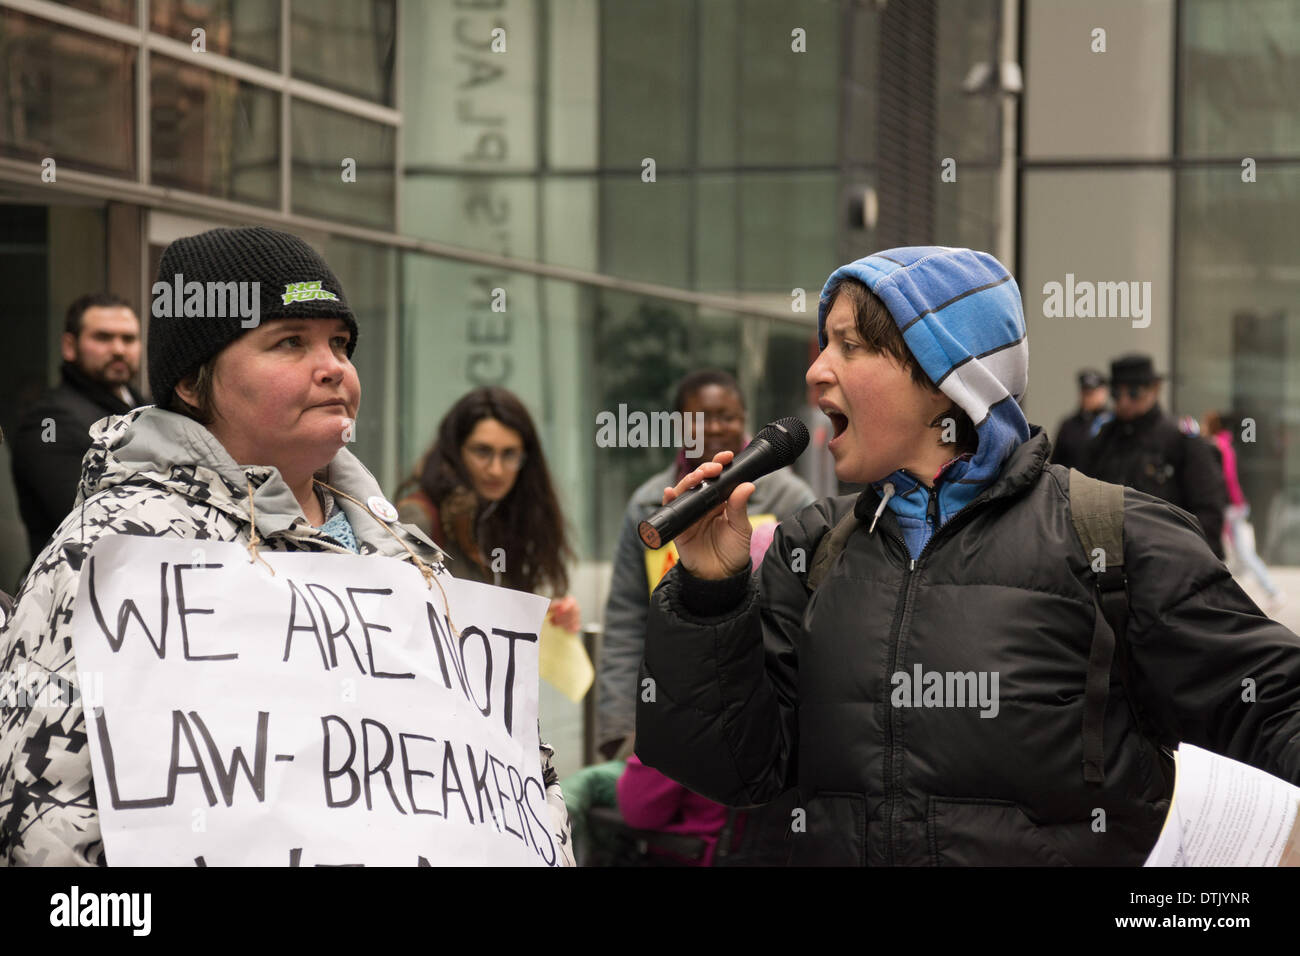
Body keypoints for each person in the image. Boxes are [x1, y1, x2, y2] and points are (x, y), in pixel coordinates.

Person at [634, 246, 1300, 865]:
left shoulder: (1115, 539)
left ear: (949, 379)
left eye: (850, 345)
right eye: (822, 344)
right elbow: (733, 770)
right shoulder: (811, 549)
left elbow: (1274, 707)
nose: (815, 371)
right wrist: (709, 590)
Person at [0, 226, 574, 866]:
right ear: (193, 381)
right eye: (290, 342)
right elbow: (45, 819)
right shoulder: (111, 551)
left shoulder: (399, 550)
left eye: (341, 343)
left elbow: (509, 773)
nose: (333, 367)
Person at [595, 368, 815, 757]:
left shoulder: (791, 498)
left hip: (755, 704)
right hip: (671, 704)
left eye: (727, 416)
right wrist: (620, 726)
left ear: (744, 419)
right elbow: (627, 620)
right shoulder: (648, 505)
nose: (714, 428)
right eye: (700, 417)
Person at [393, 387, 580, 632]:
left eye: (509, 454)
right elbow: (399, 618)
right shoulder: (419, 517)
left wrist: (552, 616)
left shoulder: (514, 514)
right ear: (456, 451)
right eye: (483, 451)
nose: (496, 470)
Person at [10, 293, 147, 560]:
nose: (119, 349)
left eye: (128, 339)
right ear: (70, 346)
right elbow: (85, 519)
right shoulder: (47, 421)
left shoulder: (145, 408)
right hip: (73, 588)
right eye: (103, 337)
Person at [1079, 354, 1227, 558]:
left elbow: (1209, 514)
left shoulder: (1181, 440)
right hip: (1110, 568)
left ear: (1154, 389)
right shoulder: (1103, 440)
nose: (1123, 401)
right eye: (1116, 393)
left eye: (1133, 393)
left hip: (1170, 565)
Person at [1204, 410, 1284, 614]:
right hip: (1233, 505)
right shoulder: (1225, 444)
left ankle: (1272, 592)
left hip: (1231, 506)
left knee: (1242, 554)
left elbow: (1229, 478)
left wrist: (1235, 502)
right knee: (1236, 556)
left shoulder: (1220, 446)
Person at [1051, 368, 1111, 470]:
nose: (1087, 398)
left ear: (1104, 393)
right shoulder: (1069, 425)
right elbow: (1056, 461)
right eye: (1085, 393)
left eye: (1092, 393)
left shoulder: (1112, 423)